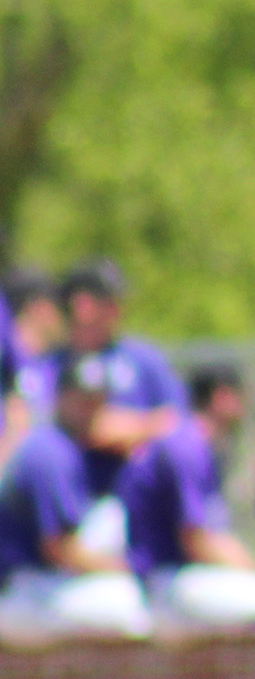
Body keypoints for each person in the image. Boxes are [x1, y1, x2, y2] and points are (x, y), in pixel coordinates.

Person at [116, 363, 255, 640]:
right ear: (222, 397)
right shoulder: (186, 446)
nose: (244, 406)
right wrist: (254, 571)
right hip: (163, 580)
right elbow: (196, 540)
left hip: (184, 579)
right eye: (240, 396)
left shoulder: (203, 446)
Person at [0, 354, 153, 647]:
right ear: (59, 399)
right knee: (128, 605)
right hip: (20, 589)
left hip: (38, 582)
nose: (91, 411)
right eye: (83, 401)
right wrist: (133, 569)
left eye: (98, 401)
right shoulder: (49, 451)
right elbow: (60, 549)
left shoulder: (68, 445)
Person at [53, 258, 188, 497]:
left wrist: (124, 428)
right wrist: (140, 425)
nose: (118, 309)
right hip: (69, 495)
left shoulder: (142, 358)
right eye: (108, 302)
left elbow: (176, 422)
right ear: (81, 304)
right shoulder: (53, 364)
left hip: (133, 493)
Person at [3, 266, 64, 424]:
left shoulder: (60, 364)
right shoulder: (7, 365)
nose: (64, 315)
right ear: (37, 307)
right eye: (59, 305)